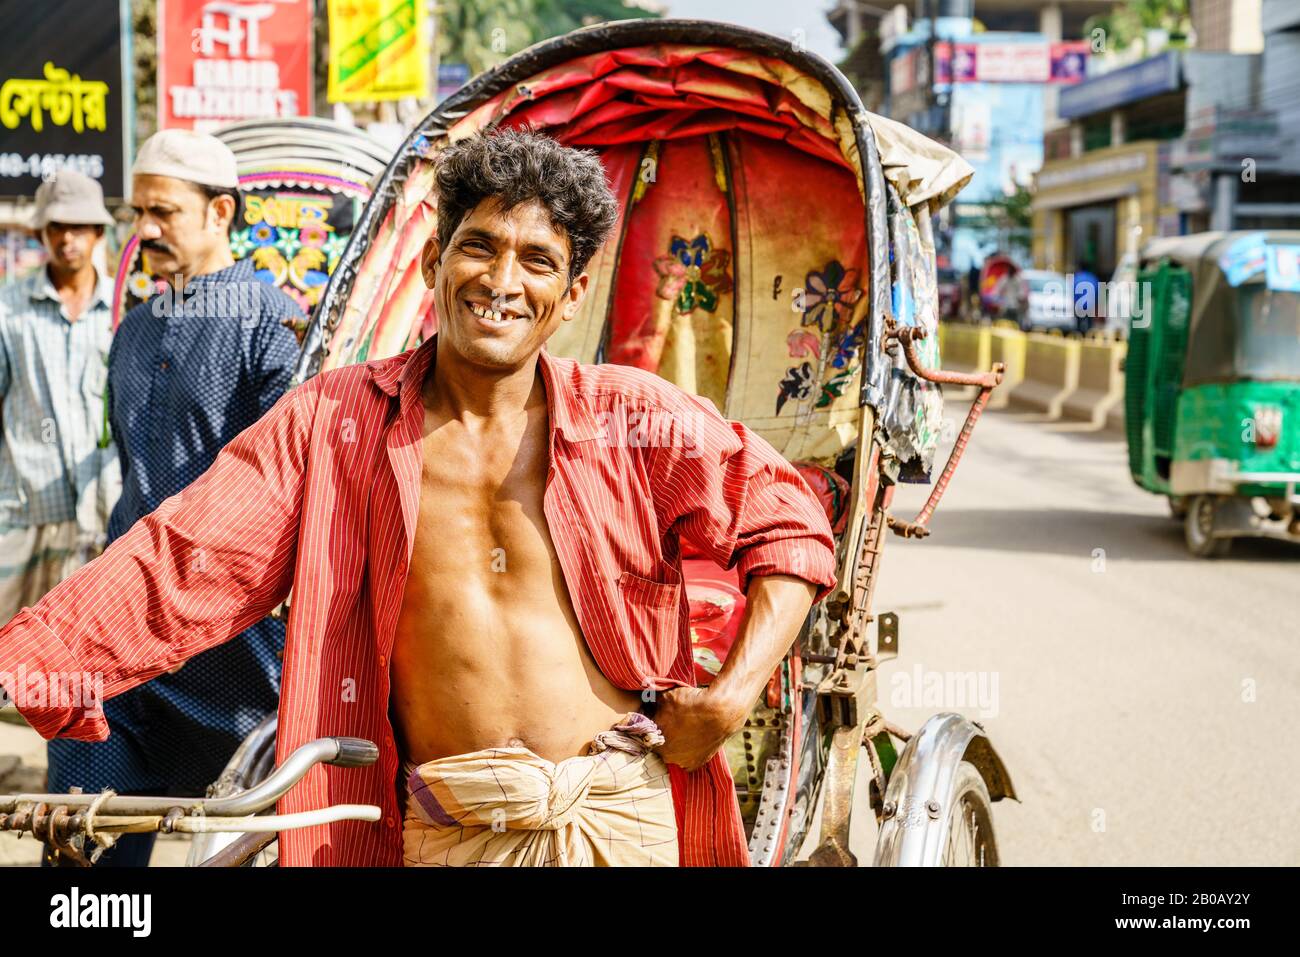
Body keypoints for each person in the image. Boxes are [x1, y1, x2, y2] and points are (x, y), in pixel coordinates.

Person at [0, 129, 836, 867]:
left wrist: (730, 696)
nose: (502, 280)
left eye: (538, 259)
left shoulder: (633, 415)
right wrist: (29, 657)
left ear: (573, 295)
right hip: (444, 828)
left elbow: (787, 520)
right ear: (436, 260)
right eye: (480, 246)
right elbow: (184, 556)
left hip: (611, 815)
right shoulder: (333, 421)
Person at [36, 130, 304, 866]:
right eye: (137, 212)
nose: (144, 229)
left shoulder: (273, 327)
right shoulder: (132, 329)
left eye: (165, 212)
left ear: (221, 213)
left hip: (235, 651)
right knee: (83, 839)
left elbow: (288, 486)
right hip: (123, 640)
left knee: (241, 846)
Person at [0, 170, 120, 626]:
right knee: (10, 646)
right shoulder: (9, 310)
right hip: (25, 507)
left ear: (97, 232)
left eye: (78, 227)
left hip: (102, 509)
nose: (67, 238)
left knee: (83, 651)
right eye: (56, 227)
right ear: (42, 233)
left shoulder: (125, 309)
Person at [1073, 260, 1102, 334]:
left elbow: (1072, 293)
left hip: (1079, 306)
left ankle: (1079, 336)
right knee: (1090, 324)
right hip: (1090, 305)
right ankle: (1088, 336)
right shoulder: (1093, 278)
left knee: (1078, 323)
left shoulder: (1076, 278)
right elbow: (1097, 293)